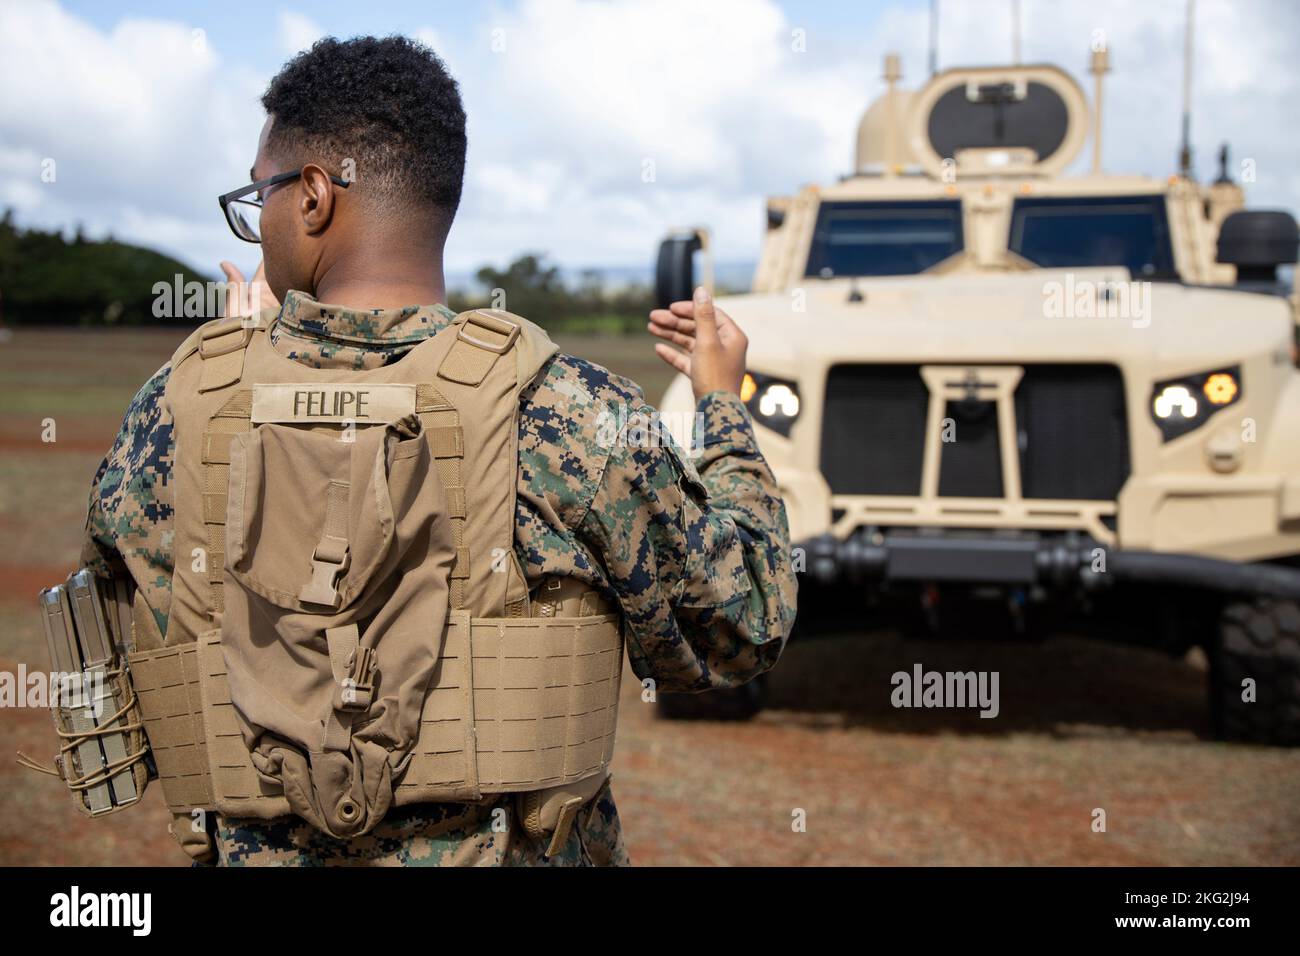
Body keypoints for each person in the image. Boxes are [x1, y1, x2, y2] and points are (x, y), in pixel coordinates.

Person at [82, 34, 795, 866]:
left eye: (260, 194)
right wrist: (720, 404)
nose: (258, 222)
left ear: (313, 196)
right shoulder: (566, 410)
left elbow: (123, 607)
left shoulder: (172, 409)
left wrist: (240, 375)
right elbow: (744, 621)